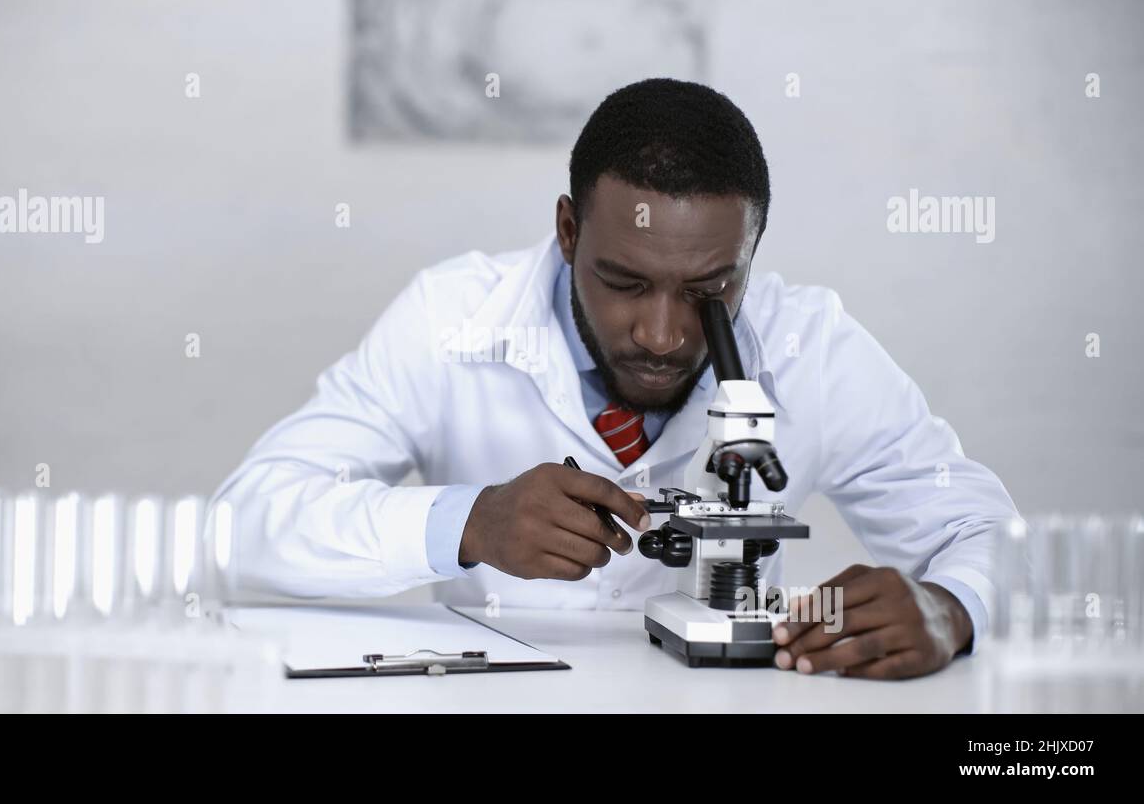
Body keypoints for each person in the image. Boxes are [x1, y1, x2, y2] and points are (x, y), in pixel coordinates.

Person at [214, 78, 1019, 680]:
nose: (664, 334)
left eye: (709, 291)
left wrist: (951, 606)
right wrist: (468, 523)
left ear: (752, 251)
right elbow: (243, 524)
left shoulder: (815, 346)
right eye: (626, 283)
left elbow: (987, 530)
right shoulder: (448, 317)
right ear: (568, 230)